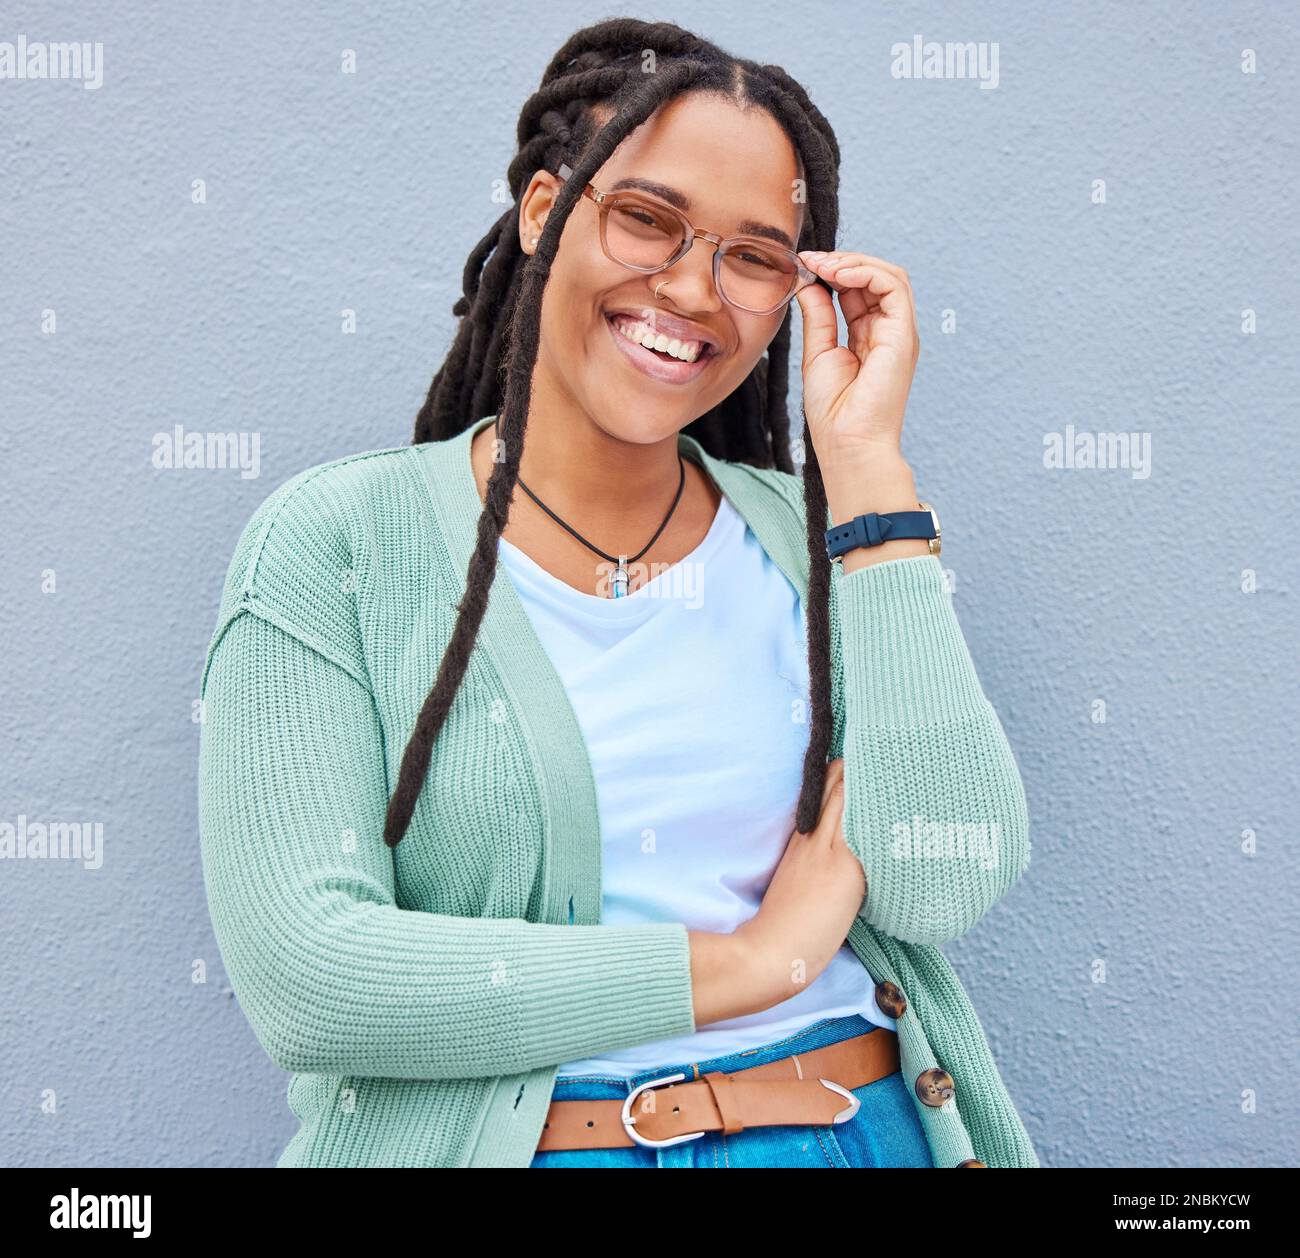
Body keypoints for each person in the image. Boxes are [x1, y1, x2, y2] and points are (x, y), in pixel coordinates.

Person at [197, 17, 1038, 1168]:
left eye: (754, 256)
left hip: (862, 1134)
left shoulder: (812, 539)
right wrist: (753, 962)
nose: (693, 289)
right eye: (647, 219)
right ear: (546, 212)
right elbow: (310, 976)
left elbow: (945, 877)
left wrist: (867, 476)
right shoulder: (338, 544)